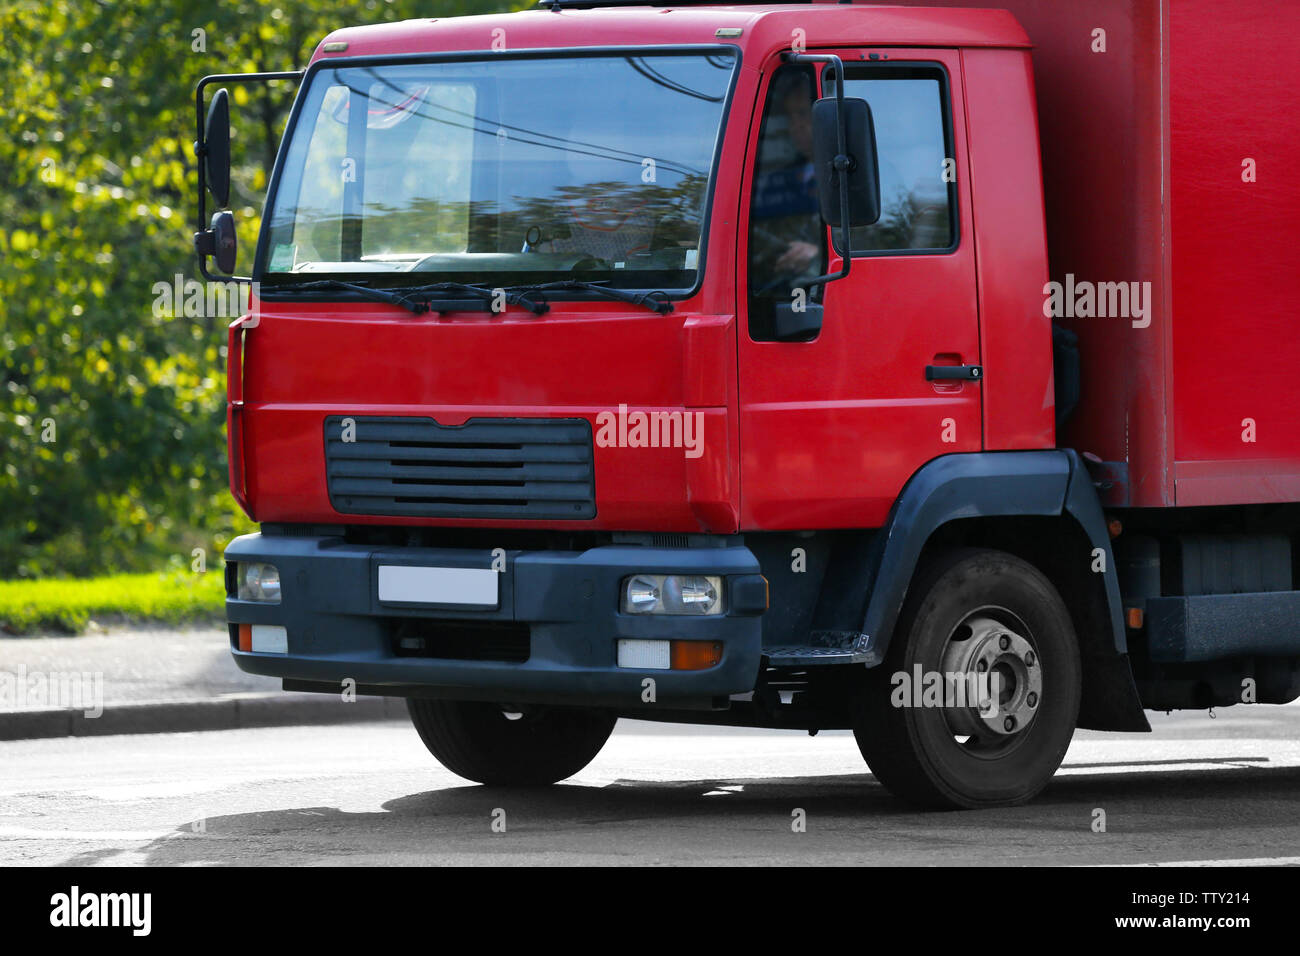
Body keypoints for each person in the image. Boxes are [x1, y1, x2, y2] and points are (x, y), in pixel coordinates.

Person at [748, 68, 825, 295]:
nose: (796, 125)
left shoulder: (860, 172)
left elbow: (881, 239)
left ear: (825, 115)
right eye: (791, 116)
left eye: (802, 114)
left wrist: (819, 254)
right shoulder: (778, 180)